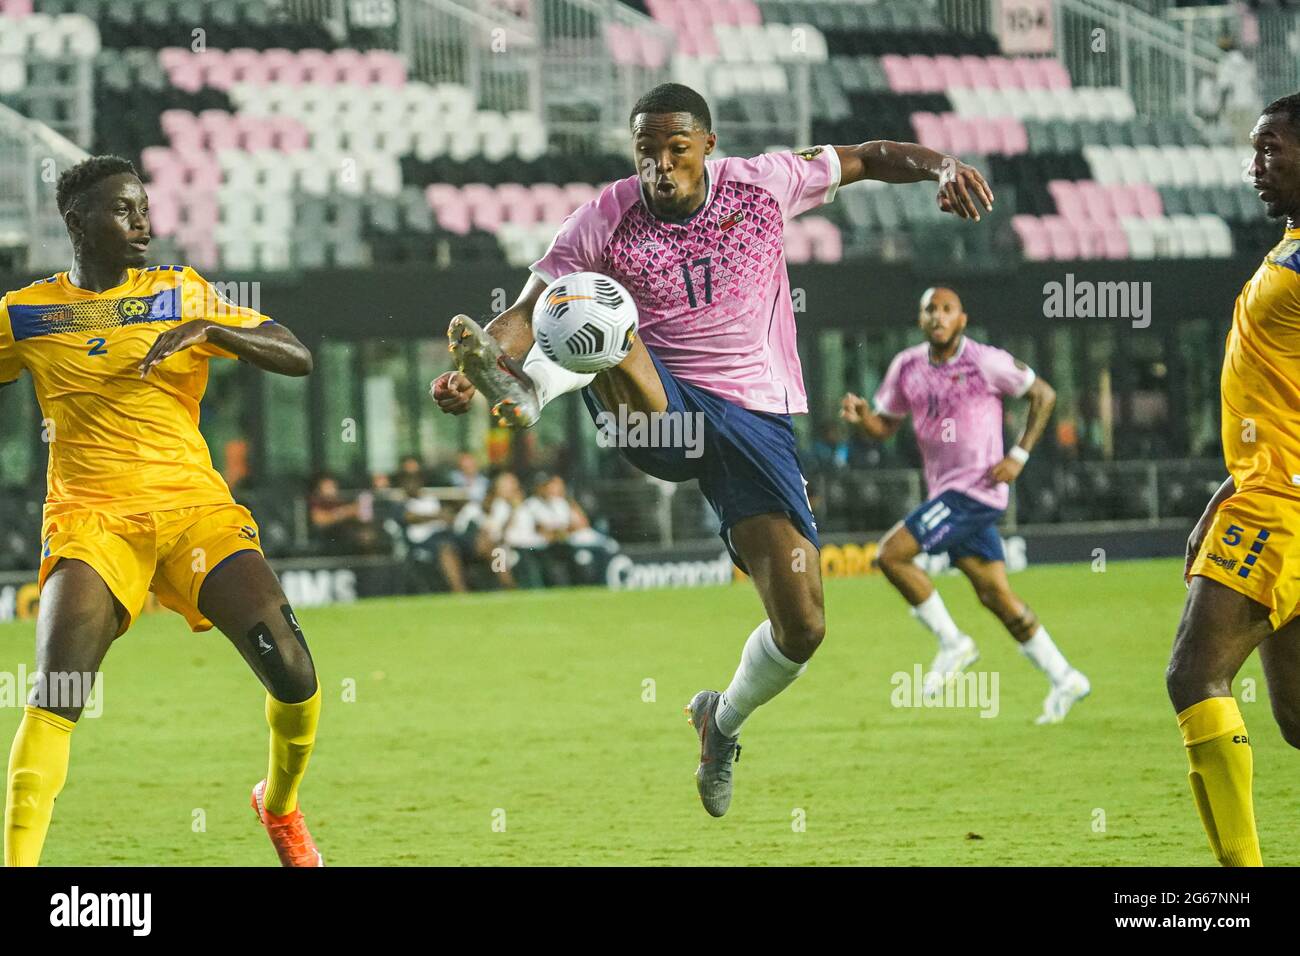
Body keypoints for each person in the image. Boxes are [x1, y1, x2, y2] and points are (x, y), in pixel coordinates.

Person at [430, 82, 995, 816]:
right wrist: (484, 370)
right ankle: (534, 389)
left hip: (756, 425)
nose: (659, 166)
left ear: (707, 147)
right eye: (645, 152)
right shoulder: (605, 216)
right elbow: (524, 310)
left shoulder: (763, 183)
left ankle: (719, 723)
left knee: (805, 624)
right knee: (593, 303)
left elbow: (865, 157)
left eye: (675, 150)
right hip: (660, 410)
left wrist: (940, 167)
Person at [1, 155, 322, 866]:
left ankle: (279, 808)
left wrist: (214, 332)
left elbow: (296, 355)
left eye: (144, 206)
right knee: (56, 694)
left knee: (295, 674)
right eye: (124, 209)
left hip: (193, 515)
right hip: (92, 522)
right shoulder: (25, 313)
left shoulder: (182, 292)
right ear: (77, 222)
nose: (143, 221)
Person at [840, 286, 1090, 723]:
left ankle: (953, 643)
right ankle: (1065, 676)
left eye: (946, 310)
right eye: (929, 310)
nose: (937, 316)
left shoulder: (985, 361)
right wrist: (864, 419)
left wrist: (1019, 455)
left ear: (962, 319)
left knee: (891, 556)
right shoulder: (907, 366)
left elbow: (1044, 395)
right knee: (997, 596)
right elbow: (885, 428)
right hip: (946, 493)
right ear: (920, 320)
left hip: (975, 490)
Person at [1167, 93, 1300, 867]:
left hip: (1281, 504)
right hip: (1264, 488)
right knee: (1296, 718)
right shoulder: (1289, 244)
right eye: (1254, 150)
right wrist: (1229, 488)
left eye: (1272, 149)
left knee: (1194, 673)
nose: (1257, 165)